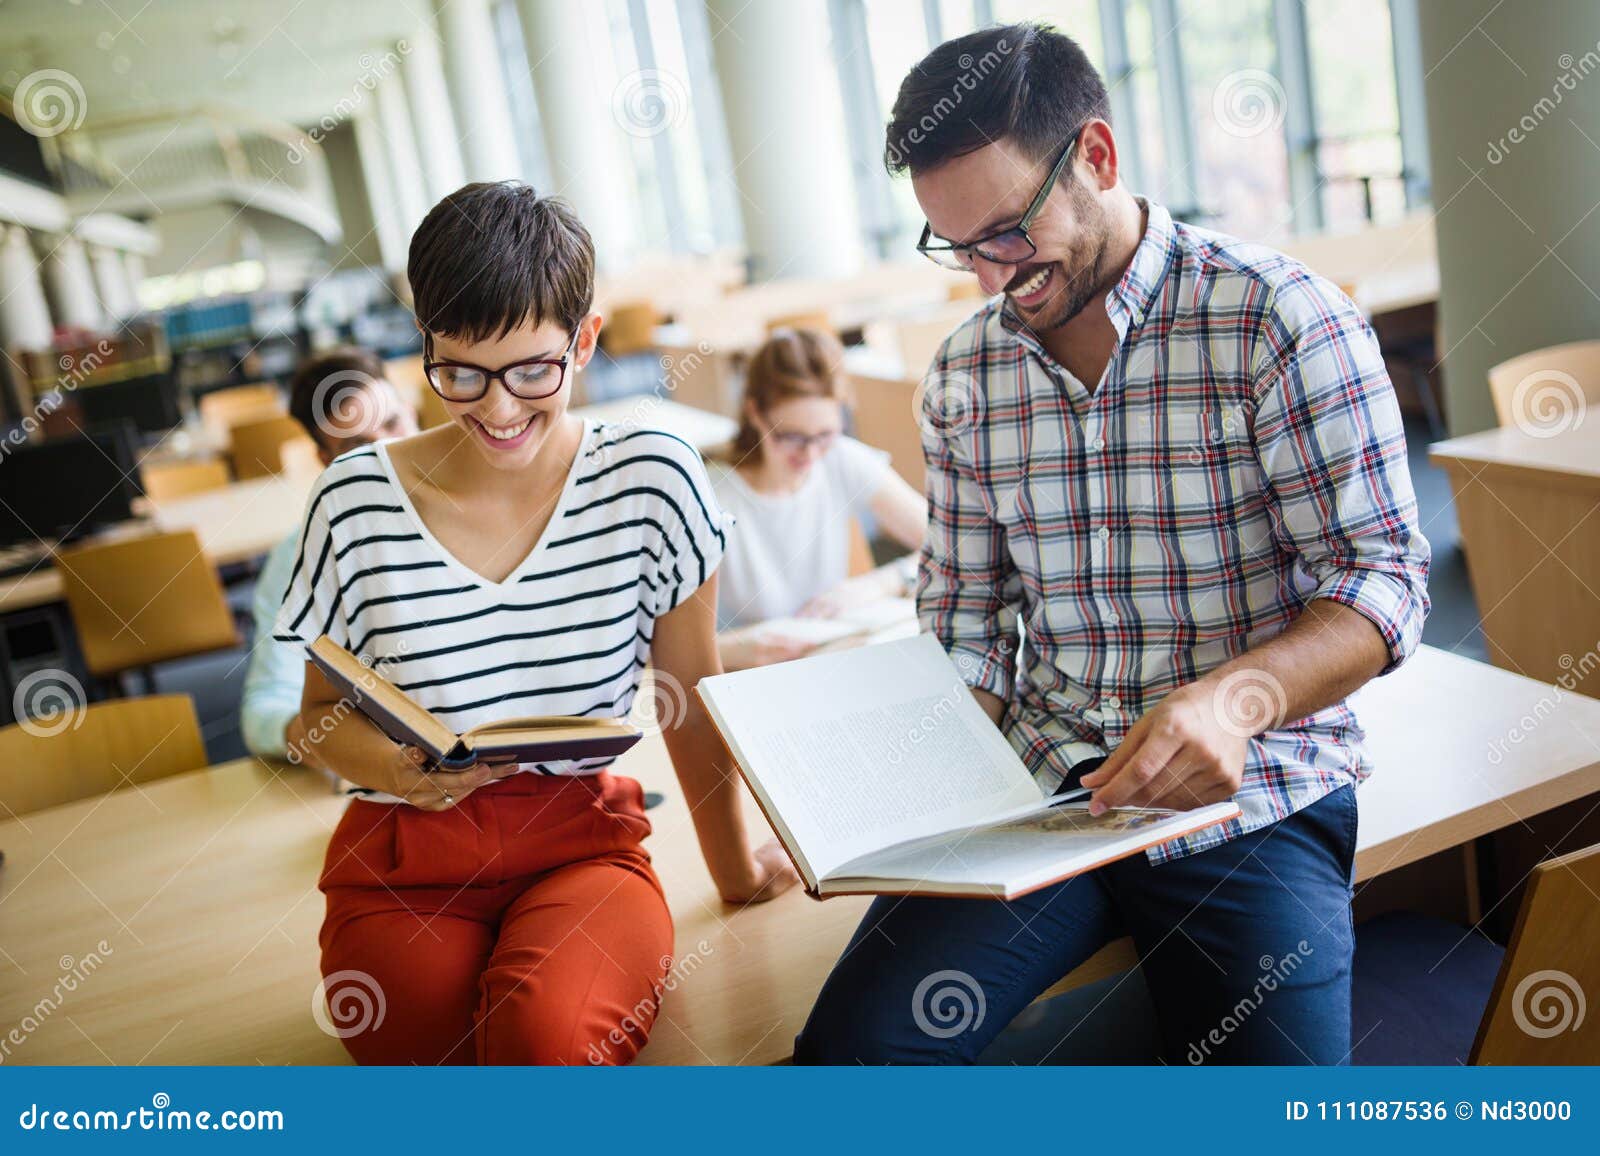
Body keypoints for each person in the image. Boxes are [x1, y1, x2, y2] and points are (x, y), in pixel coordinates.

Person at [794, 23, 1430, 1065]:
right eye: (954, 246)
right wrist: (902, 775)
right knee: (851, 1065)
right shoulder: (964, 374)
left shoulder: (1278, 319)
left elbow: (1384, 579)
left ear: (1095, 156)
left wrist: (1233, 699)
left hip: (1252, 797)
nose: (988, 276)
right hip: (1042, 796)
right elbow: (964, 616)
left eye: (1005, 231)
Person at [273, 182, 796, 1067]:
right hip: (406, 847)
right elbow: (310, 721)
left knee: (545, 1043)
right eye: (461, 373)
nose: (499, 409)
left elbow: (689, 704)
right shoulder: (353, 500)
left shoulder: (653, 478)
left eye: (532, 370)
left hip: (579, 844)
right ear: (425, 345)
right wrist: (398, 768)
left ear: (585, 339)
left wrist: (738, 873)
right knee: (414, 1042)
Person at [709, 327, 927, 670]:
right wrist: (742, 649)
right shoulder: (713, 499)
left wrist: (881, 583)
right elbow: (663, 649)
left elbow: (950, 543)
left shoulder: (839, 458)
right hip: (751, 677)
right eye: (791, 437)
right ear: (754, 413)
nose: (810, 455)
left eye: (824, 435)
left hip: (832, 662)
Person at [239, 348, 418, 760]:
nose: (387, 453)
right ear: (327, 460)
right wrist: (328, 742)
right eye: (359, 444)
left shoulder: (487, 505)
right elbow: (265, 709)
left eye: (393, 423)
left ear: (412, 412)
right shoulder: (302, 556)